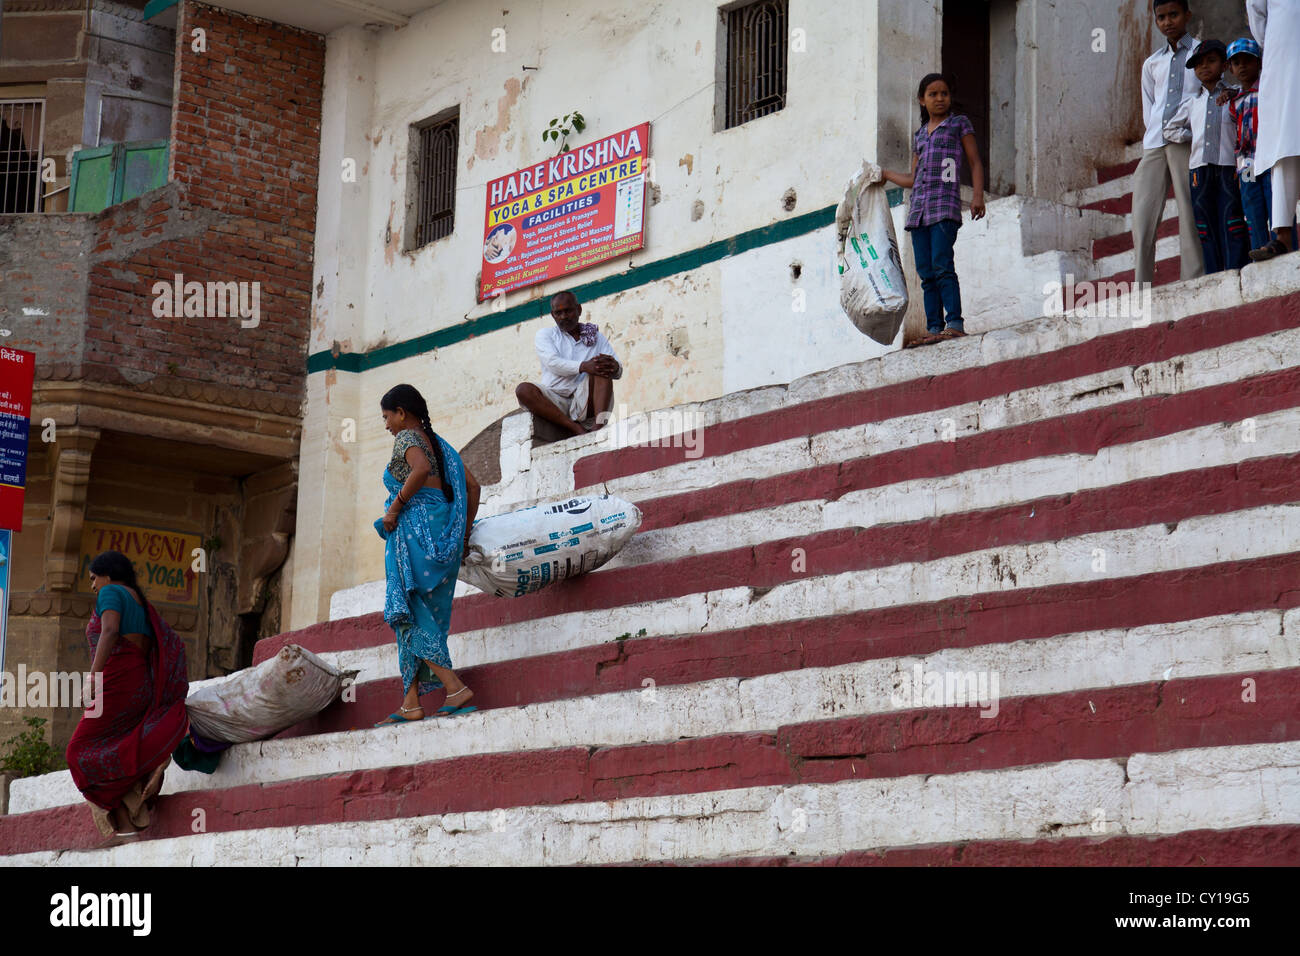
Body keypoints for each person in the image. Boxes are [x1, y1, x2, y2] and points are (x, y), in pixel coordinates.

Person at [373, 384, 481, 724]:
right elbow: (473, 487)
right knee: (420, 613)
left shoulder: (408, 439)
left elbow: (418, 470)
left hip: (414, 533)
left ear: (402, 413)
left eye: (387, 417)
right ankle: (411, 702)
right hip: (443, 537)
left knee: (405, 612)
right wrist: (462, 536)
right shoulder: (441, 446)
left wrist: (395, 509)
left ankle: (454, 687)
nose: (386, 425)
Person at [67, 551, 189, 842]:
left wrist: (92, 677)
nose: (93, 586)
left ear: (107, 575)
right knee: (116, 745)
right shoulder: (138, 599)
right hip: (140, 684)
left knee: (78, 751)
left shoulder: (110, 592)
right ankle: (126, 826)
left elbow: (109, 631)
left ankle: (147, 765)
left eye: (94, 578)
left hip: (118, 681)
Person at [881, 72, 986, 347]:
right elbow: (913, 179)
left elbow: (974, 162)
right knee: (926, 273)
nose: (939, 99)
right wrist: (886, 174)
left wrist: (977, 196)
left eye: (944, 94)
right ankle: (935, 327)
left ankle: (954, 323)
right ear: (922, 100)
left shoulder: (958, 124)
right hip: (919, 212)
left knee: (942, 265)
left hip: (944, 208)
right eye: (933, 94)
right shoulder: (919, 136)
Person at [1132, 1, 1204, 284]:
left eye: (1173, 15)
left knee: (1188, 209)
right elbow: (1149, 107)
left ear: (1187, 15)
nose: (1167, 22)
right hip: (1154, 144)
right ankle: (1141, 286)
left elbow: (1206, 94)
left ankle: (1193, 279)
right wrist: (1155, 135)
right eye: (1161, 17)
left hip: (1186, 141)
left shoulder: (1201, 52)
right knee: (1142, 216)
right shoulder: (1152, 63)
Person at [1164, 39, 1251, 273]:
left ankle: (1236, 269)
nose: (1204, 67)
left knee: (1231, 218)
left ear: (1224, 65)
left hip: (1228, 168)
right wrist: (1192, 135)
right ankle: (1213, 274)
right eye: (1198, 64)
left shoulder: (1236, 95)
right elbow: (1169, 129)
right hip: (1199, 172)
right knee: (1205, 223)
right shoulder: (1192, 103)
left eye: (1211, 61)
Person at [515, 291, 622, 436]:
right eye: (558, 313)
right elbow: (553, 363)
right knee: (523, 390)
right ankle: (574, 428)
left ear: (579, 309)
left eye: (568, 311)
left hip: (584, 401)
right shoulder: (545, 335)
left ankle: (598, 428)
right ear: (553, 315)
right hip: (555, 400)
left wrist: (614, 366)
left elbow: (618, 369)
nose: (563, 316)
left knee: (602, 368)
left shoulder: (595, 336)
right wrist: (584, 366)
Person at [1224, 37, 1297, 252]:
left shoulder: (1268, 90)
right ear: (1230, 68)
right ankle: (1259, 249)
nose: (1242, 66)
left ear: (1259, 62)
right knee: (1251, 205)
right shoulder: (1234, 99)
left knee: (1276, 201)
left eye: (1248, 61)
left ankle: (1286, 248)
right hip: (1246, 162)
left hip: (1269, 156)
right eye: (1237, 63)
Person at [1246, 0, 1300, 260]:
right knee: (1284, 143)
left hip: (1282, 47)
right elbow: (1257, 15)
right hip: (1283, 55)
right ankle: (1283, 237)